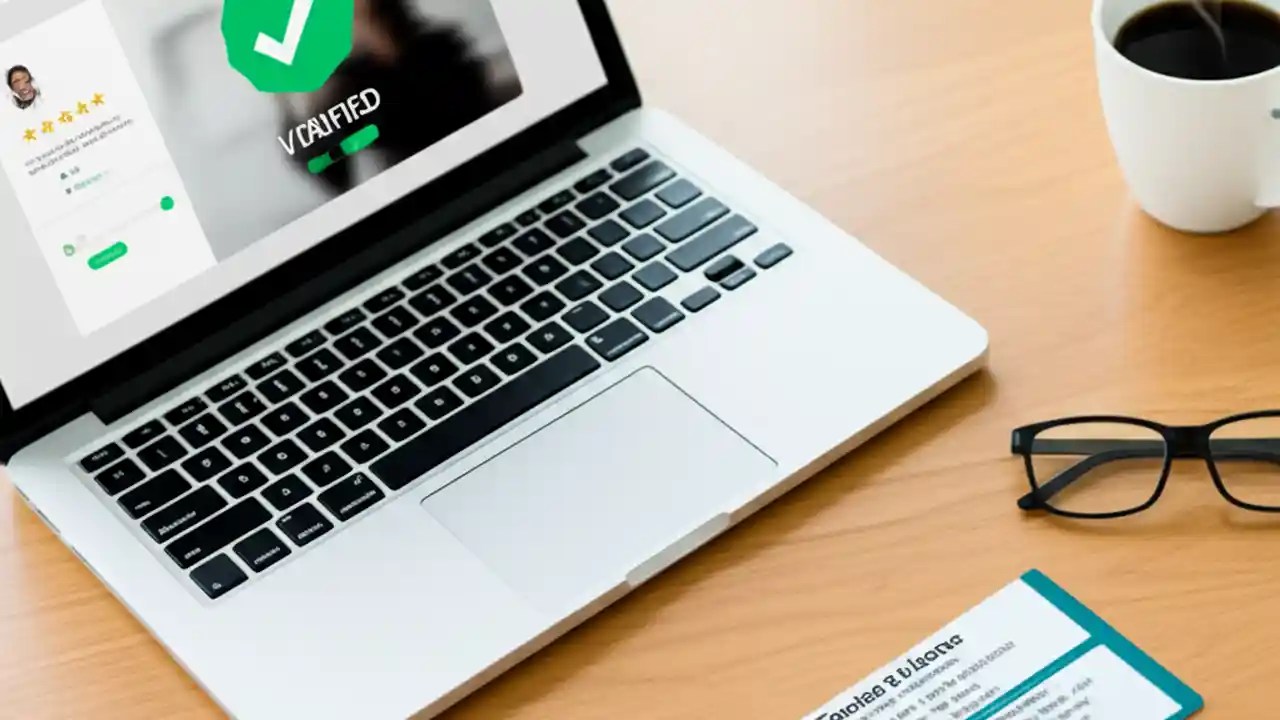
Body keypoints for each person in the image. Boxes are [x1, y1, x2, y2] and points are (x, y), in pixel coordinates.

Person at [279, 0, 520, 193]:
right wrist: (292, 100)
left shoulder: (438, 48)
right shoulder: (346, 88)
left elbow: (468, 115)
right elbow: (326, 169)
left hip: (485, 174)